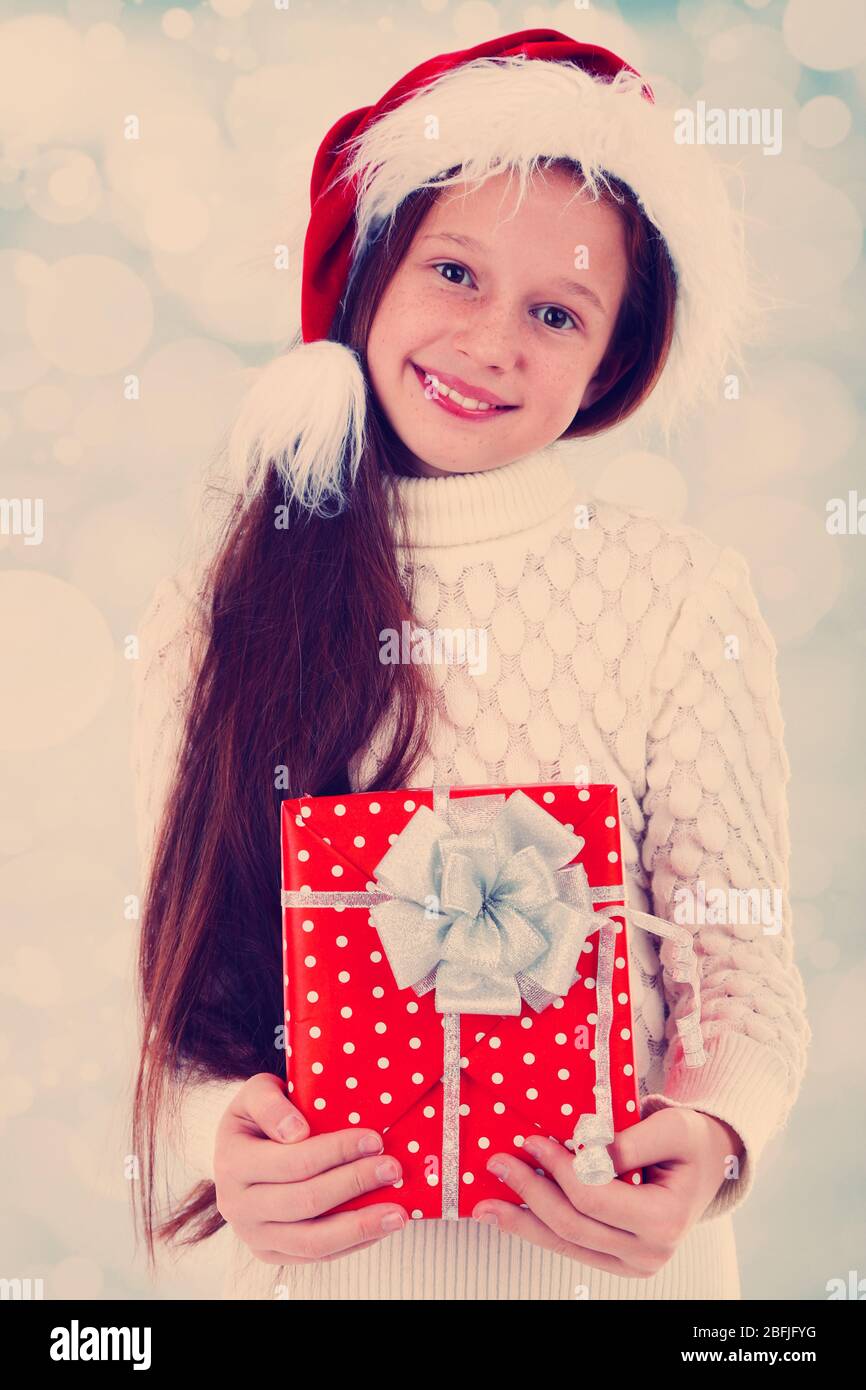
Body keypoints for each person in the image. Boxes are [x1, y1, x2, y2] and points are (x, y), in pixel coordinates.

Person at [129, 28, 810, 1301]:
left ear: (608, 363)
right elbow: (182, 993)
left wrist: (715, 1140)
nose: (491, 341)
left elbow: (739, 962)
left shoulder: (676, 596)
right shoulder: (212, 612)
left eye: (556, 311)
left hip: (609, 1277)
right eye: (453, 270)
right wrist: (214, 1129)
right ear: (370, 279)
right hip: (316, 1281)